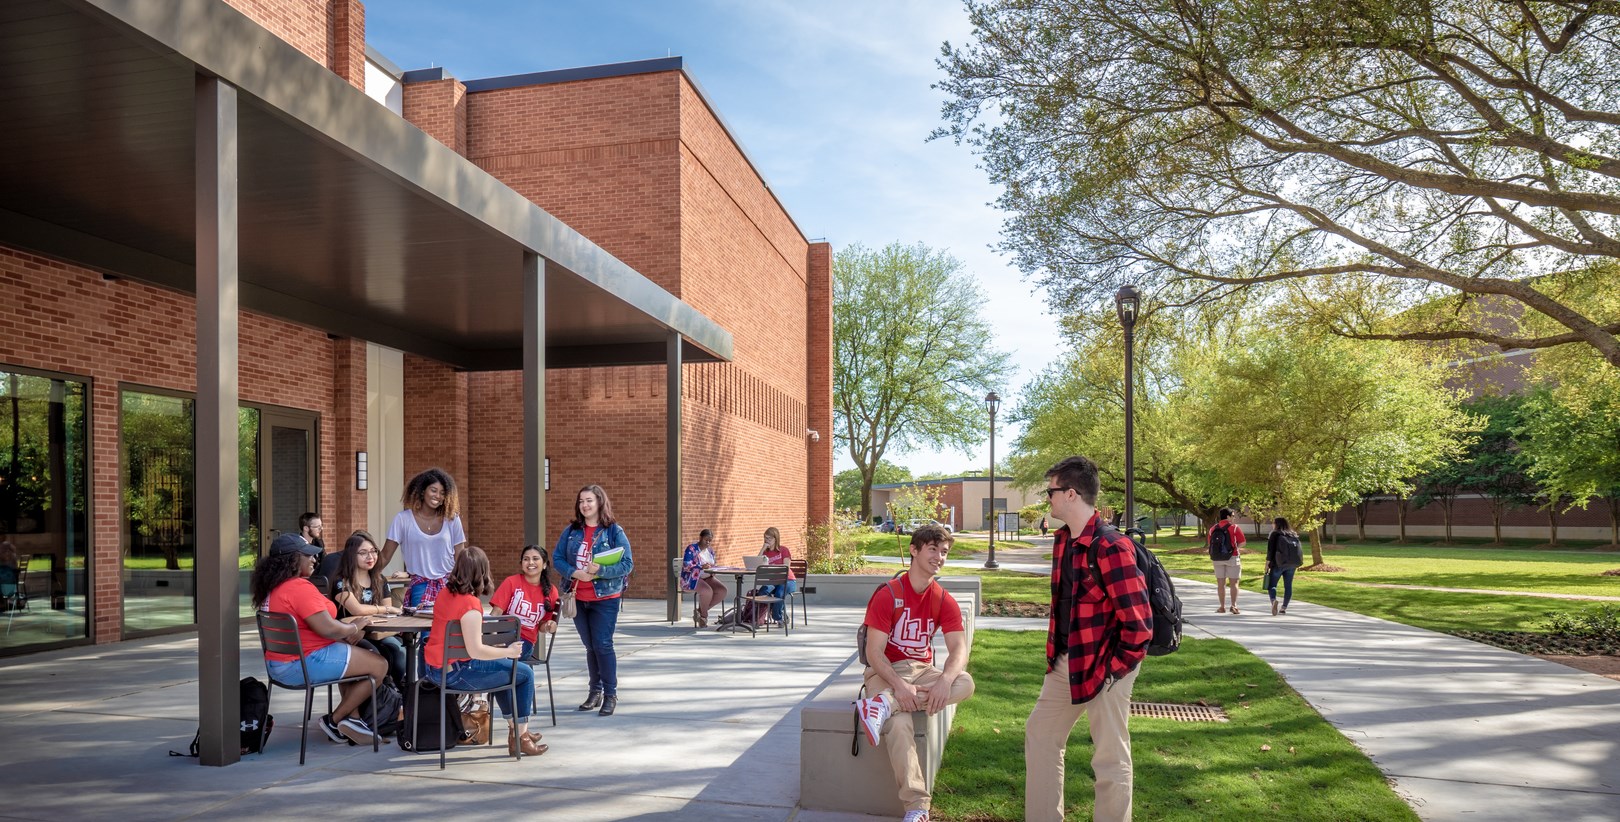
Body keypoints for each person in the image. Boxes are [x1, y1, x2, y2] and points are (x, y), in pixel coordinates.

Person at [1026, 456, 1152, 822]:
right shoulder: (1063, 541)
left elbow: (1139, 625)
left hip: (1107, 667)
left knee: (1110, 757)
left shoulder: (1113, 547)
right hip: (1068, 662)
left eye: (1050, 491)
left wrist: (1113, 671)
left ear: (1070, 493)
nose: (1046, 498)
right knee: (1040, 734)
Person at [853, 523, 975, 822]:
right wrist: (899, 686)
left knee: (965, 683)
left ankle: (883, 704)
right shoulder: (888, 594)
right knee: (898, 726)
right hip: (885, 671)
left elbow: (959, 649)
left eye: (944, 552)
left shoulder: (943, 599)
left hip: (923, 670)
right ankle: (918, 808)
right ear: (914, 550)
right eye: (933, 549)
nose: (939, 557)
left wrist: (944, 681)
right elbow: (874, 653)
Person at [251, 533, 388, 746]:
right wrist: (354, 626)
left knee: (356, 654)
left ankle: (354, 720)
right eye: (308, 555)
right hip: (303, 663)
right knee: (379, 665)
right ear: (294, 559)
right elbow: (329, 629)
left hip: (278, 665)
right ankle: (334, 720)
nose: (314, 559)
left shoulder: (274, 587)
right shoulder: (298, 588)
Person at [421, 546, 546, 758]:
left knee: (502, 673)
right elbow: (476, 651)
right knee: (524, 673)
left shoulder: (444, 593)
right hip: (457, 672)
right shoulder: (471, 605)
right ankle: (521, 738)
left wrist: (497, 652)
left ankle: (517, 731)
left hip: (436, 667)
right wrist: (507, 650)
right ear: (482, 572)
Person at [553, 483, 634, 716]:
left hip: (605, 598)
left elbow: (627, 564)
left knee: (603, 645)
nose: (585, 505)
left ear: (599, 502)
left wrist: (600, 571)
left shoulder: (613, 531)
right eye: (581, 501)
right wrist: (573, 572)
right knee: (590, 647)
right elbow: (557, 558)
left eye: (589, 500)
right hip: (578, 597)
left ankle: (610, 694)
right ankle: (594, 692)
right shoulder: (572, 531)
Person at [380, 468, 467, 608]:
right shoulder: (403, 519)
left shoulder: (452, 519)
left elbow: (461, 558)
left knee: (449, 628)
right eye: (433, 490)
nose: (437, 496)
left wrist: (464, 586)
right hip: (420, 585)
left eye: (442, 493)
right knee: (426, 629)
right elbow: (384, 556)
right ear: (422, 491)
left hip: (450, 585)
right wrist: (364, 576)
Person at [330, 530, 407, 685]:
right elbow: (357, 610)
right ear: (351, 556)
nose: (370, 557)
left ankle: (395, 698)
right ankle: (374, 702)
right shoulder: (341, 582)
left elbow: (388, 619)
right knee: (375, 655)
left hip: (373, 633)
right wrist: (383, 610)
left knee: (398, 652)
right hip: (348, 636)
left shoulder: (379, 579)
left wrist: (364, 627)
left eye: (373, 551)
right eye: (363, 553)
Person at [492, 545, 561, 660]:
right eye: (526, 559)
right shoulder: (511, 582)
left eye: (535, 558)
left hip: (525, 641)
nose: (530, 562)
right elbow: (496, 613)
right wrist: (494, 640)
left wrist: (550, 626)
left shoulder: (551, 591)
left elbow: (542, 626)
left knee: (509, 658)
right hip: (504, 634)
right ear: (521, 563)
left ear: (544, 564)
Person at [680, 529, 728, 627]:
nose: (708, 542)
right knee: (707, 591)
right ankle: (703, 617)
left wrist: (714, 568)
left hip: (708, 577)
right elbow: (686, 565)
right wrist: (701, 566)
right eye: (706, 540)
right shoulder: (692, 549)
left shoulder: (710, 551)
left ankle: (700, 612)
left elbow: (713, 564)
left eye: (710, 540)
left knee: (722, 590)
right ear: (700, 538)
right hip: (692, 578)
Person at [754, 526, 797, 626]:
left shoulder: (783, 550)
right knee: (762, 592)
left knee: (779, 593)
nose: (767, 540)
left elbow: (786, 567)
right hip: (773, 581)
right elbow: (757, 564)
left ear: (776, 538)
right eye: (765, 538)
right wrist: (763, 548)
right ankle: (778, 612)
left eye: (769, 538)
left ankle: (778, 617)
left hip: (788, 580)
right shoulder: (766, 553)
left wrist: (774, 567)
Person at [1208, 507, 1247, 614]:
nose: (1234, 518)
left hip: (1217, 558)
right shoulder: (1234, 528)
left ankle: (1221, 607)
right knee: (1234, 583)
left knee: (1220, 583)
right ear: (1228, 516)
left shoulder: (1212, 529)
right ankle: (1234, 605)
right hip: (1232, 557)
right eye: (1233, 516)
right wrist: (1236, 548)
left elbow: (1210, 544)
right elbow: (1243, 542)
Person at [1265, 517, 1304, 615]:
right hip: (1291, 564)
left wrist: (1267, 564)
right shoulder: (1293, 534)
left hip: (1278, 564)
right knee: (1288, 585)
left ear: (1277, 524)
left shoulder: (1275, 534)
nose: (1272, 525)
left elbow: (1270, 551)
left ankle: (1274, 601)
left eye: (1273, 523)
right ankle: (1284, 607)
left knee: (1272, 585)